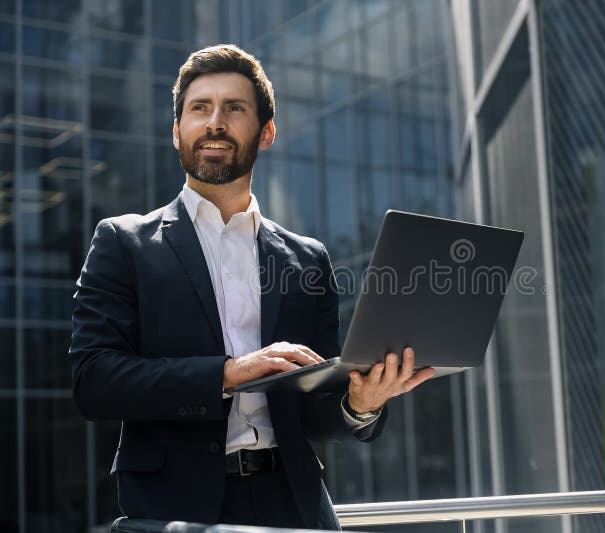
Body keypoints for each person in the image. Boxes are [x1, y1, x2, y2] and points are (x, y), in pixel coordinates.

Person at [68, 44, 435, 531]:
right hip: (177, 510)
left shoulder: (307, 258)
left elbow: (313, 406)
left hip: (295, 506)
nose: (215, 122)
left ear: (266, 133)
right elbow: (94, 382)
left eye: (234, 108)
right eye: (200, 108)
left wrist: (361, 404)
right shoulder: (124, 243)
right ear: (176, 131)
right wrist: (228, 373)